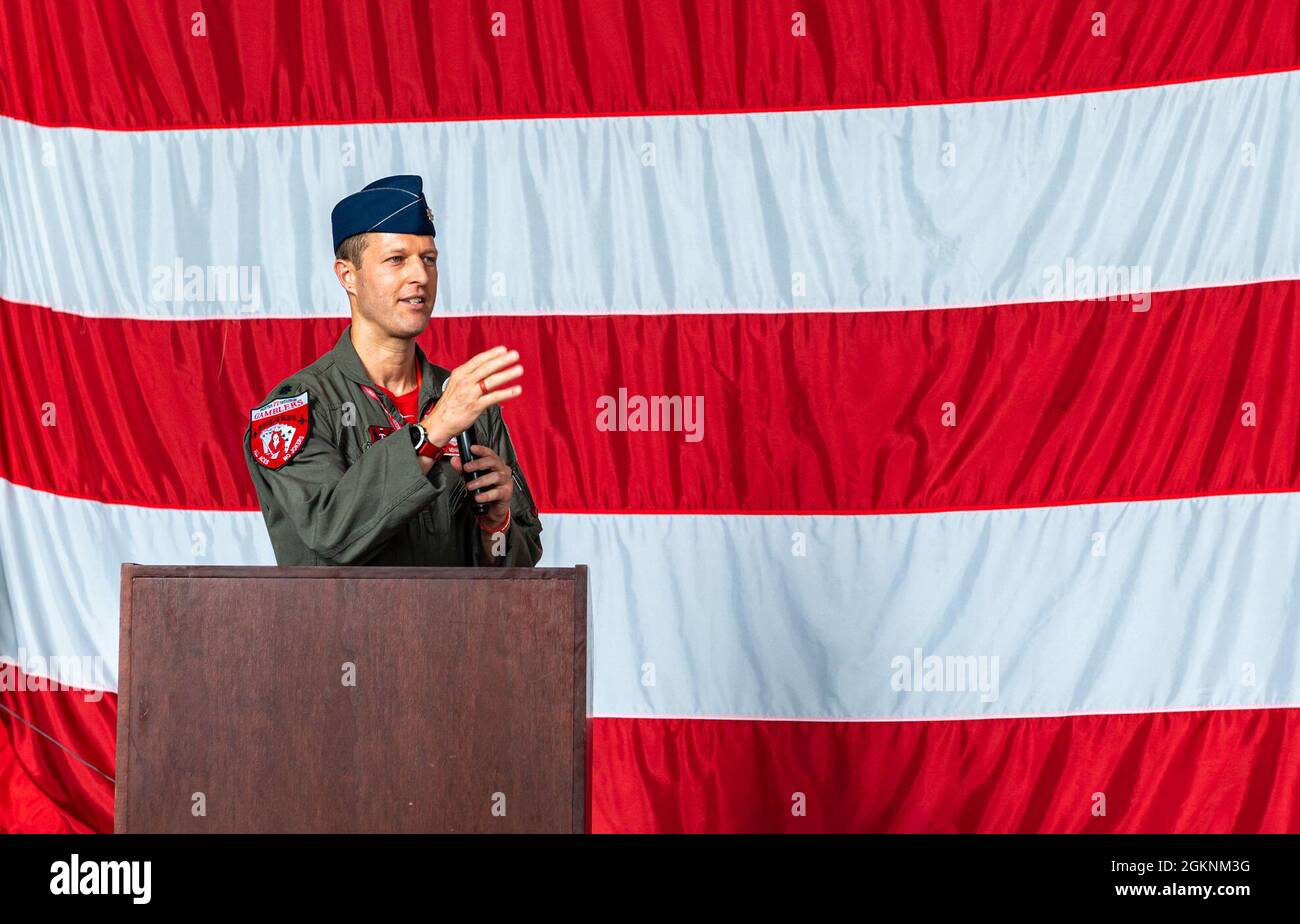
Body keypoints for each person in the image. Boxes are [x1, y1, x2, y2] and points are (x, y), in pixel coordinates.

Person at [242, 174, 543, 567]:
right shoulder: (297, 410)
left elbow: (520, 570)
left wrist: (496, 524)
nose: (419, 275)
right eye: (397, 259)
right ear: (348, 276)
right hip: (338, 630)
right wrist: (432, 433)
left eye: (429, 259)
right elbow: (333, 530)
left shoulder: (468, 404)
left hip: (455, 629)